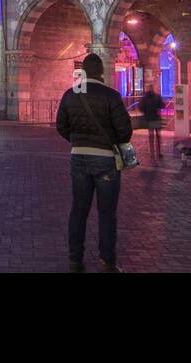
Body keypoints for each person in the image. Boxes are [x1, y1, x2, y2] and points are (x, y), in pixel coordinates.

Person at [55, 53, 133, 273]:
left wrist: (77, 141)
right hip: (106, 160)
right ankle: (107, 262)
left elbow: (61, 125)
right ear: (101, 72)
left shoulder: (70, 95)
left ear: (83, 71)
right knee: (107, 213)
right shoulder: (111, 95)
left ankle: (75, 260)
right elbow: (125, 131)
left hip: (78, 157)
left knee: (78, 210)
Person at [137, 87, 165, 162]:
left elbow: (141, 107)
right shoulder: (157, 96)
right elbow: (162, 105)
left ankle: (152, 153)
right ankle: (159, 152)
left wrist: (146, 112)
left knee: (151, 136)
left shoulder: (145, 98)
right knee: (158, 136)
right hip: (156, 117)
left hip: (149, 118)